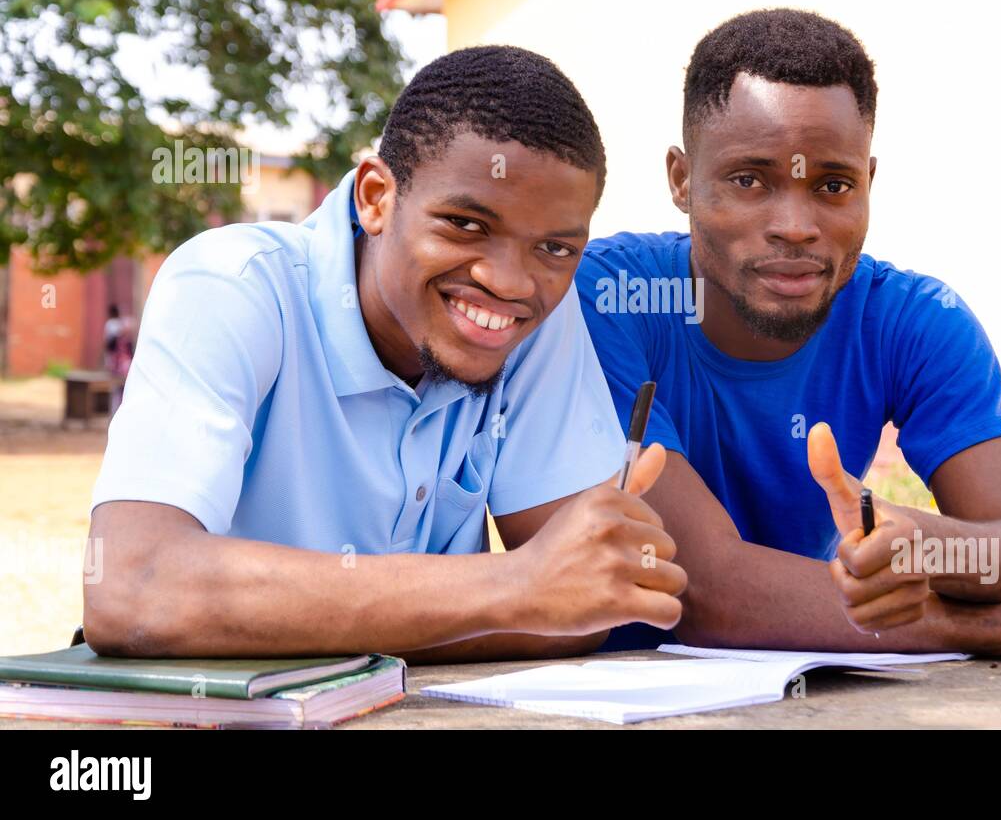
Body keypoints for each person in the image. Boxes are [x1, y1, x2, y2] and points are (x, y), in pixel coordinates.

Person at [576, 9, 1001, 669]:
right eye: (749, 180)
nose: (797, 225)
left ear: (869, 182)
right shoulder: (605, 299)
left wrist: (919, 542)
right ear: (682, 179)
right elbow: (705, 587)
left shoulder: (916, 320)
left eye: (833, 184)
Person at [85, 46, 685, 661]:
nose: (509, 281)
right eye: (466, 224)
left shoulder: (530, 318)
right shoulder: (233, 285)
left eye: (555, 248)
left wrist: (539, 591)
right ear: (376, 197)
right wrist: (515, 584)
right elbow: (134, 586)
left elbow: (580, 608)